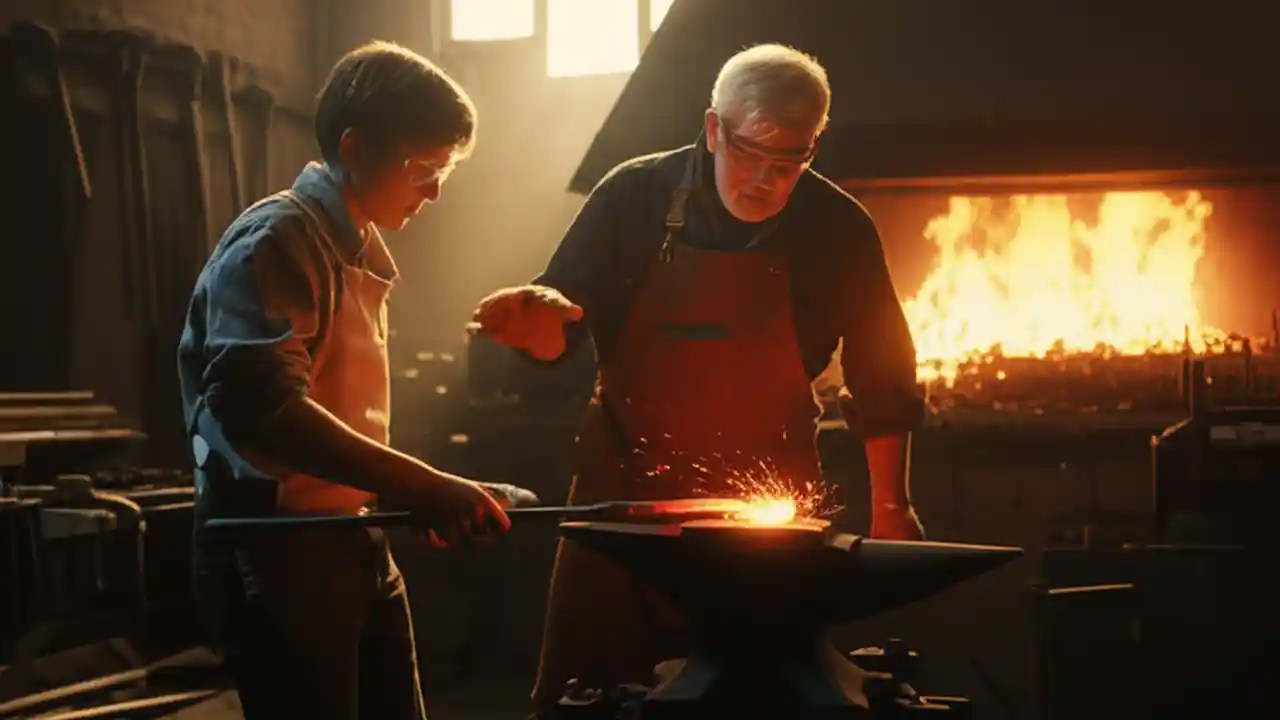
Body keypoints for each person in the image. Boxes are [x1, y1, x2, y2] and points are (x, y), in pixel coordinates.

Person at [472, 44, 927, 714]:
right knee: (593, 694)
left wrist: (892, 505)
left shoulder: (839, 230)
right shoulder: (632, 195)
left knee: (758, 695)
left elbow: (883, 376)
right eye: (749, 154)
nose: (764, 182)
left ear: (814, 145)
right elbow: (558, 322)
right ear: (713, 127)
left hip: (767, 511)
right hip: (624, 502)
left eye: (789, 161)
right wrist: (538, 330)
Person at [178, 41, 516, 720]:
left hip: (347, 536)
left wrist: (419, 496)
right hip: (271, 548)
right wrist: (420, 484)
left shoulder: (351, 247)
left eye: (444, 170)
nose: (435, 190)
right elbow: (262, 406)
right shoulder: (279, 241)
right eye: (424, 167)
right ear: (356, 148)